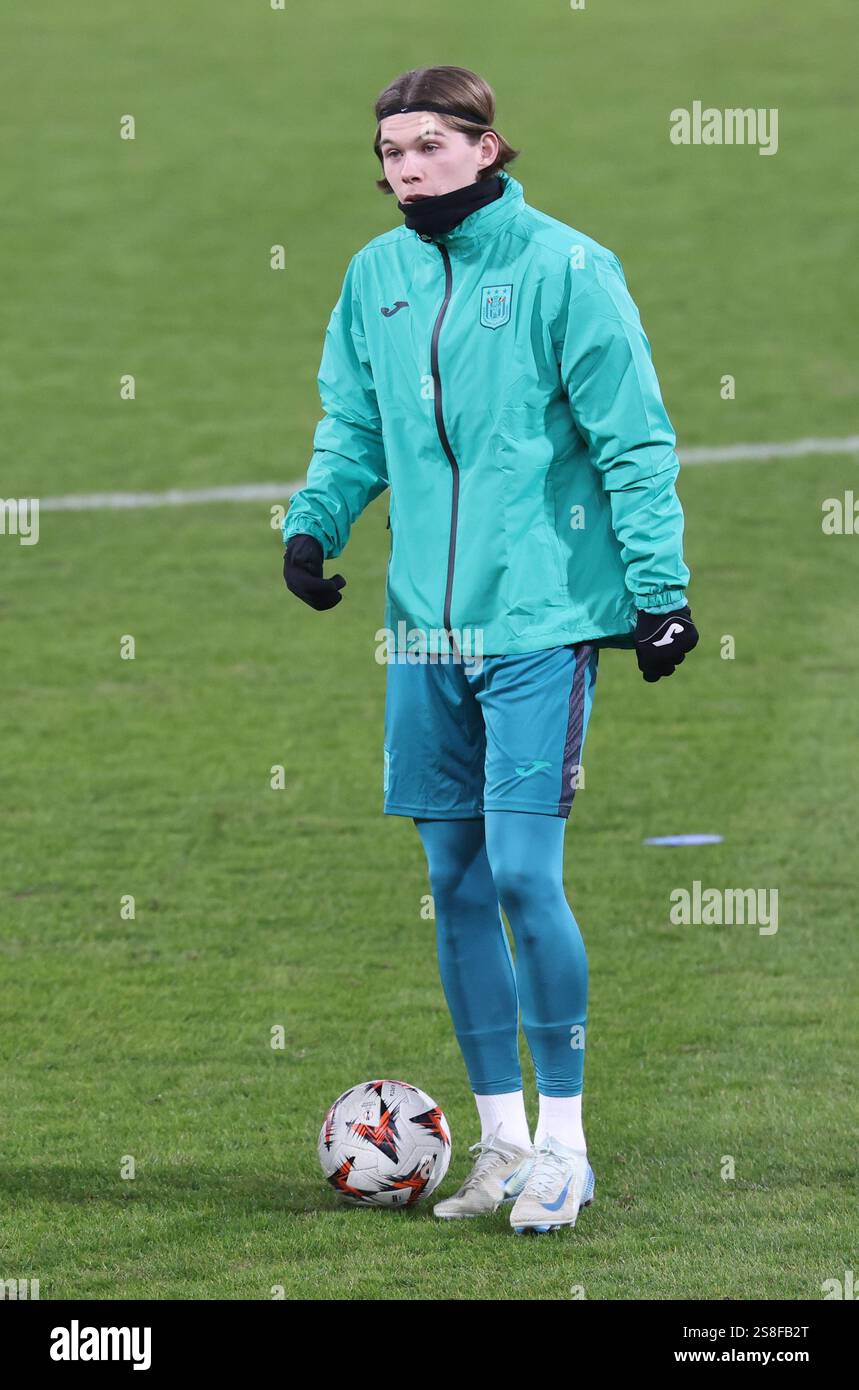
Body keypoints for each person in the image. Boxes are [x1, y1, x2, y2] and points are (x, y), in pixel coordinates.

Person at [282, 65, 698, 1234]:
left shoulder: (568, 267)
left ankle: (567, 1145)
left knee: (522, 873)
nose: (404, 167)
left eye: (426, 146)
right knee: (452, 882)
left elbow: (634, 437)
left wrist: (658, 592)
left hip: (539, 620)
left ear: (485, 146)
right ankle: (500, 1143)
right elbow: (353, 420)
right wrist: (316, 520)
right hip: (423, 627)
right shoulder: (378, 277)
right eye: (389, 152)